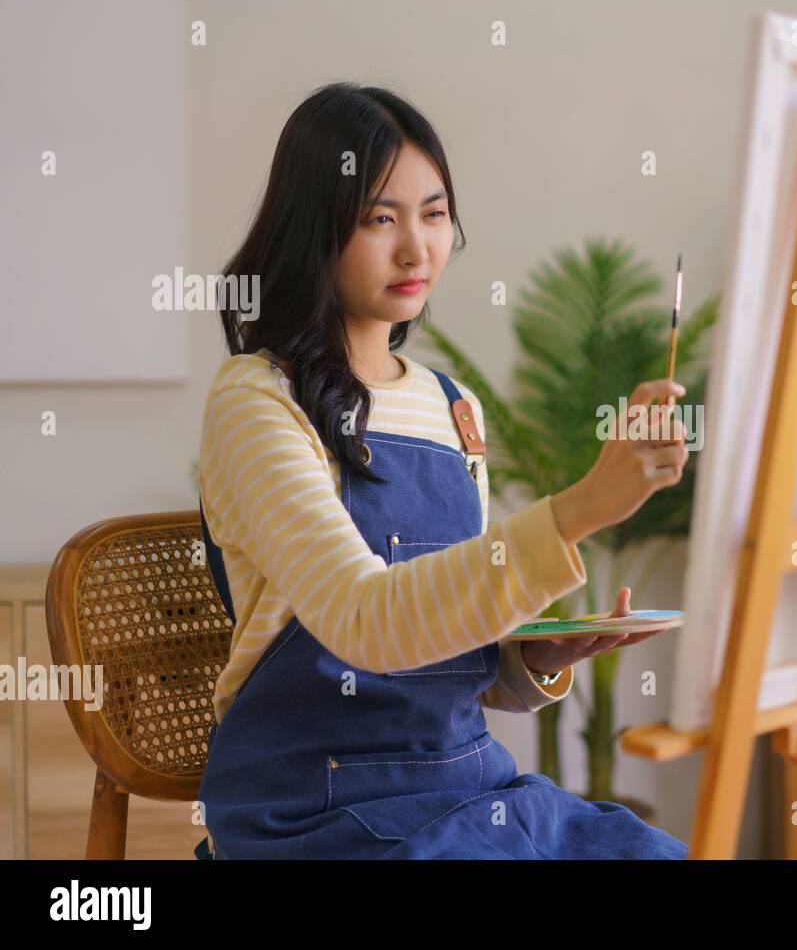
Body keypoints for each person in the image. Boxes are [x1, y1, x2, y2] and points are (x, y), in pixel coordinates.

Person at [194, 82, 689, 859]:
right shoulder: (257, 400)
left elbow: (451, 657)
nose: (416, 247)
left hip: (466, 787)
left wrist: (531, 660)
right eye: (379, 219)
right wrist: (582, 506)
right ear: (313, 228)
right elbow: (364, 618)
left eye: (433, 214)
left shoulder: (452, 406)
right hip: (308, 807)